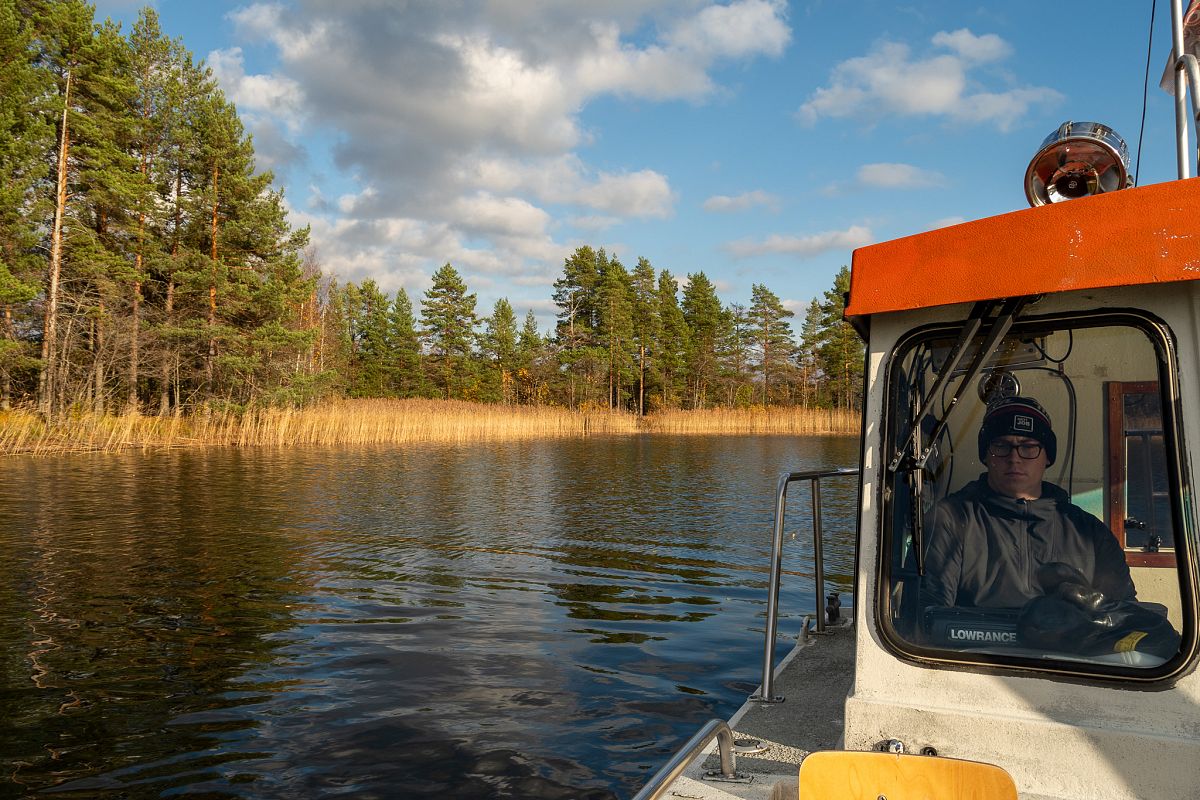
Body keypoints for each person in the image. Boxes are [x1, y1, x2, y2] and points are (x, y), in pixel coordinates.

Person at [920, 396, 1136, 613]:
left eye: (1029, 446)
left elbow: (1125, 616)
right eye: (1001, 445)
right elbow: (926, 616)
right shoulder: (949, 520)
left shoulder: (1089, 532)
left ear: (1048, 457)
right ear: (986, 455)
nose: (1014, 458)